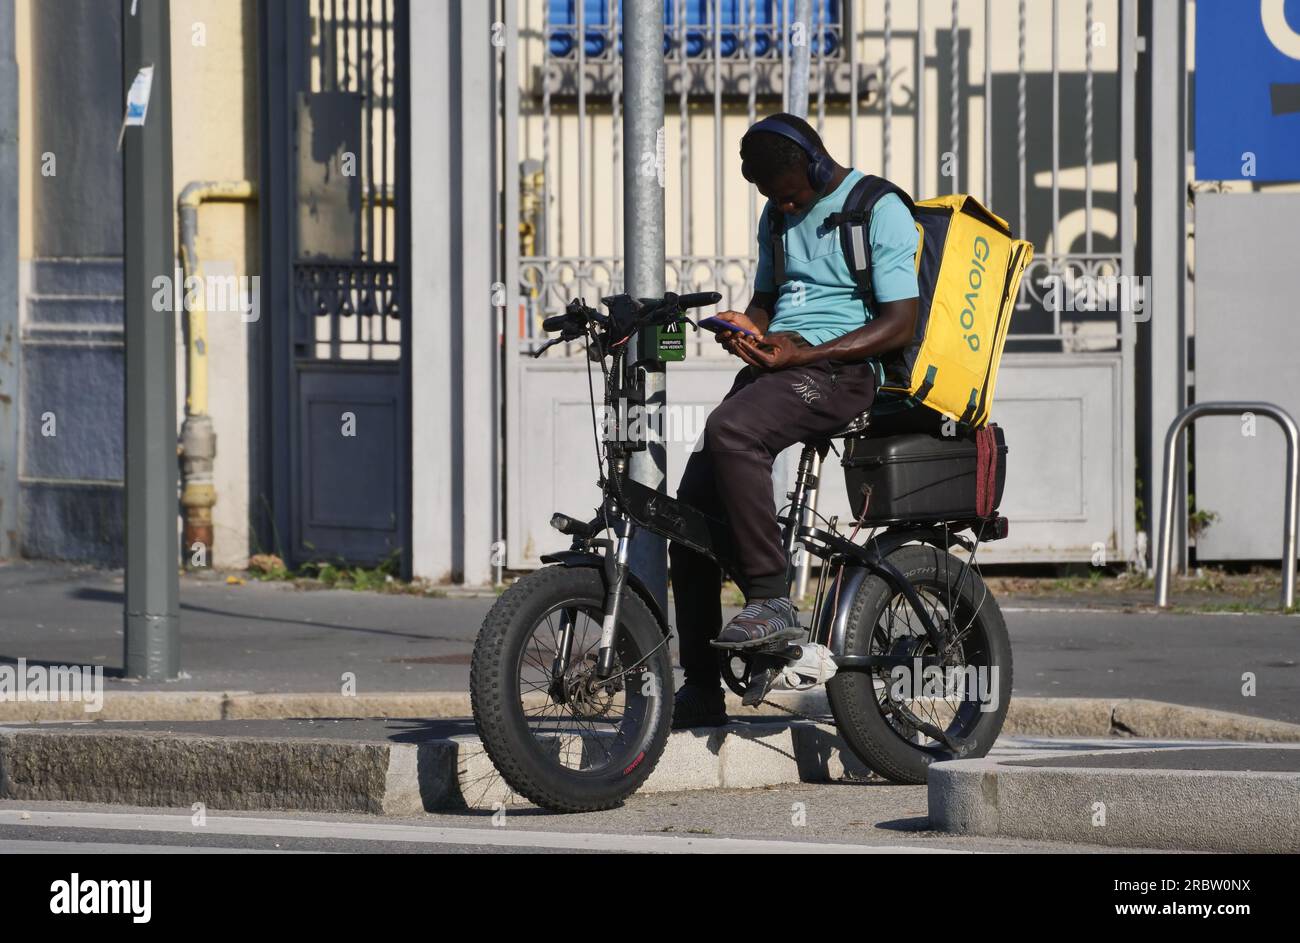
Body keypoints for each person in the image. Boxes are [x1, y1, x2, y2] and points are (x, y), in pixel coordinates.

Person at [669, 113, 927, 729]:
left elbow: (899, 322)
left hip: (842, 371)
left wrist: (803, 352)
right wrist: (748, 329)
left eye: (787, 192)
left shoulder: (876, 206)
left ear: (814, 164)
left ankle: (770, 598)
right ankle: (702, 685)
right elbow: (768, 300)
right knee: (687, 514)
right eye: (768, 196)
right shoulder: (777, 215)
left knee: (734, 432)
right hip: (784, 366)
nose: (781, 204)